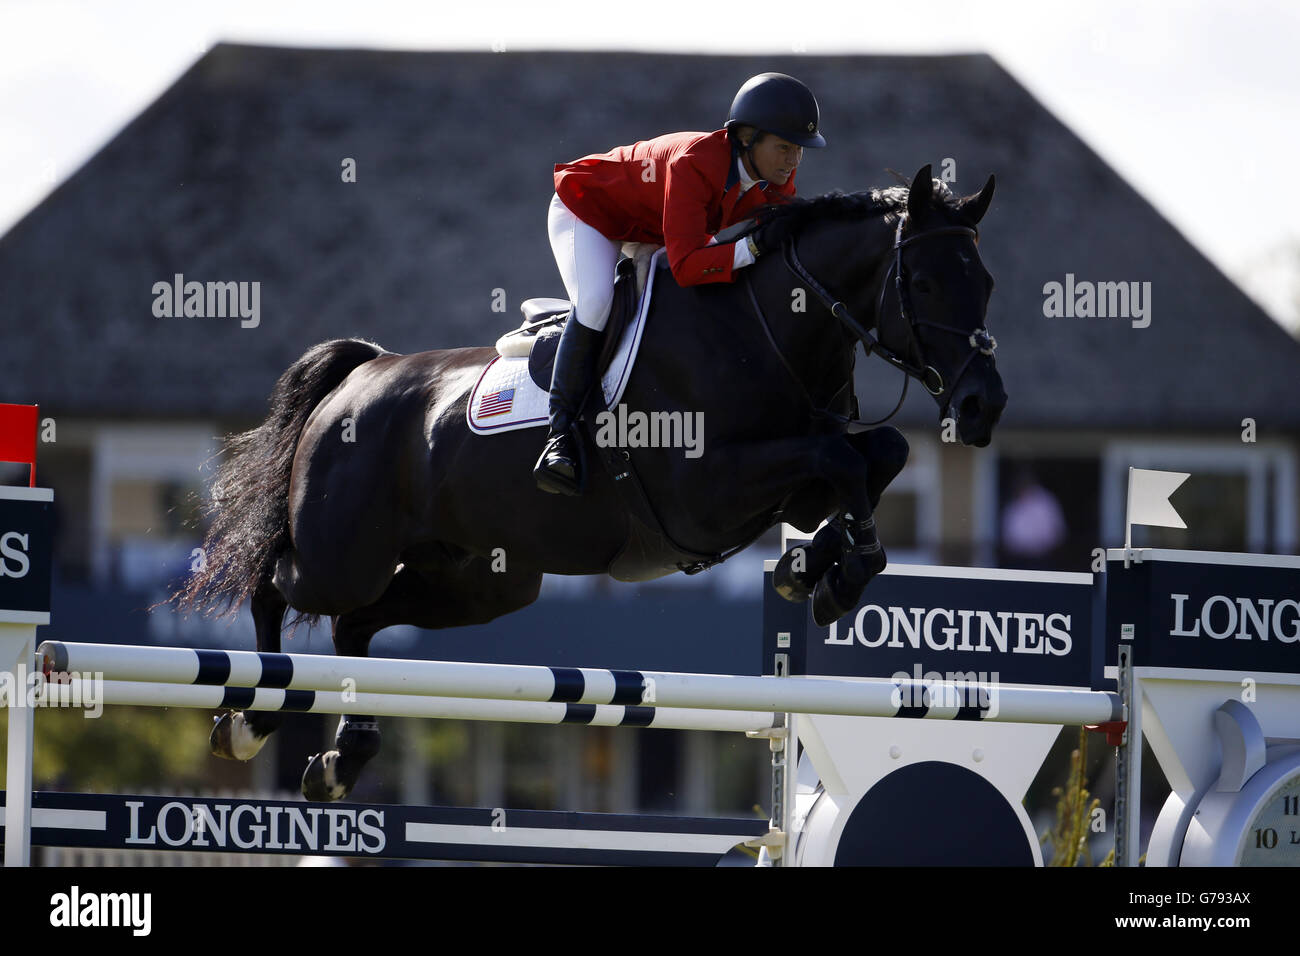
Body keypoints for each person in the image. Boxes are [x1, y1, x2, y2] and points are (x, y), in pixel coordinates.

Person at [533, 73, 828, 495]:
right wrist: (753, 250)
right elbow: (691, 264)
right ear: (746, 137)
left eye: (799, 149)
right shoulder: (695, 162)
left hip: (654, 231)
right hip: (589, 211)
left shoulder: (776, 181)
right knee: (596, 302)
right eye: (784, 146)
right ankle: (558, 437)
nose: (793, 160)